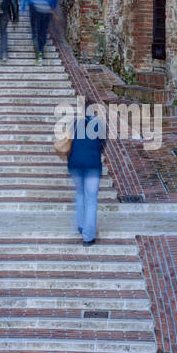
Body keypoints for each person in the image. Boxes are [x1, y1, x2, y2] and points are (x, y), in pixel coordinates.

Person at [67, 103, 106, 246]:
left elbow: (68, 143)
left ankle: (81, 225)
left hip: (75, 164)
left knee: (80, 193)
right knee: (91, 200)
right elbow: (103, 144)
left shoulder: (74, 123)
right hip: (92, 165)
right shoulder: (98, 124)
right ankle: (88, 237)